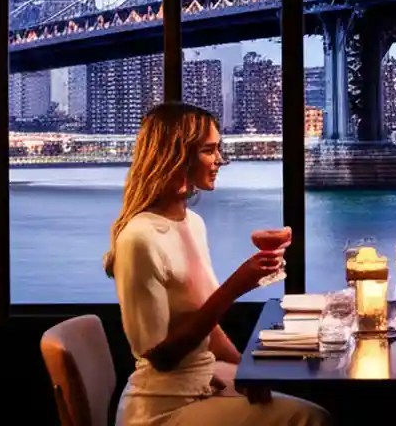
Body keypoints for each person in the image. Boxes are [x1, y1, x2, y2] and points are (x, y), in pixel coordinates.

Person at [105, 102, 330, 426]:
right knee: (313, 418)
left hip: (203, 384)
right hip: (161, 408)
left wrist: (246, 370)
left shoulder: (193, 223)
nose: (220, 160)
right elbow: (161, 357)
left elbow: (207, 327)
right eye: (209, 150)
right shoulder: (139, 238)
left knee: (300, 405)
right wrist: (235, 287)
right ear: (177, 156)